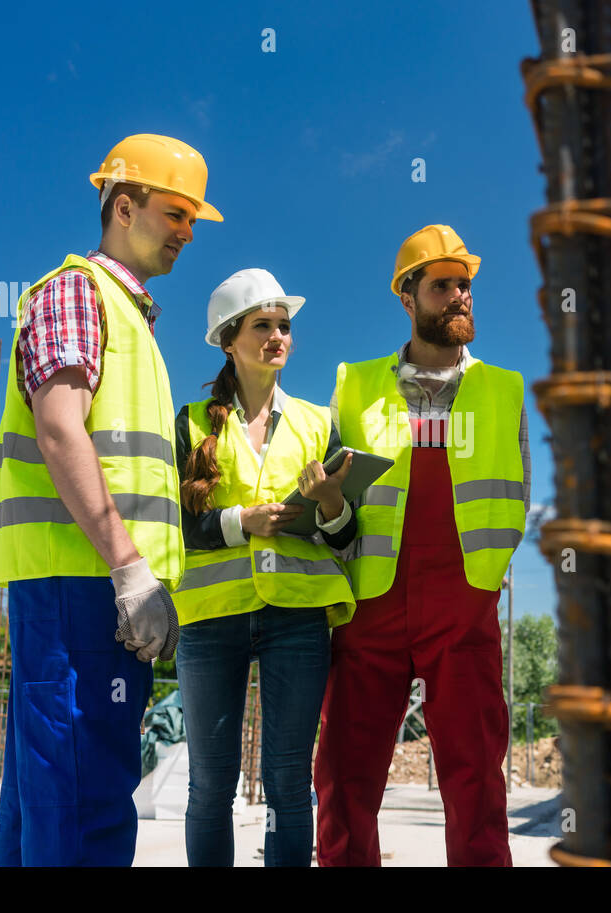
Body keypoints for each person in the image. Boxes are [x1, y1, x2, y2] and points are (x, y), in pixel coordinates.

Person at [0, 133, 223, 866]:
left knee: (46, 798)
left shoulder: (128, 317)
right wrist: (131, 569)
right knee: (85, 799)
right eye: (175, 213)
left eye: (193, 220)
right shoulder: (78, 291)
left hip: (93, 587)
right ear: (123, 205)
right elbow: (59, 428)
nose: (186, 233)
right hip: (85, 586)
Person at [314, 224, 530, 867]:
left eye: (465, 285)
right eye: (443, 286)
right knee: (346, 776)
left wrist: (484, 579)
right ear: (408, 299)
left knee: (477, 779)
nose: (460, 296)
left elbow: (517, 493)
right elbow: (334, 500)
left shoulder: (504, 390)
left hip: (464, 605)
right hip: (369, 604)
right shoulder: (354, 386)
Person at [172, 267, 358, 866]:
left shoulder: (318, 423)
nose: (278, 335)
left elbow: (346, 536)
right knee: (210, 786)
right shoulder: (192, 423)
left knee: (286, 784)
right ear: (230, 340)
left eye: (284, 326)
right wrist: (240, 523)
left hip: (298, 620)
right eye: (262, 325)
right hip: (210, 618)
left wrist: (330, 503)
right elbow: (174, 525)